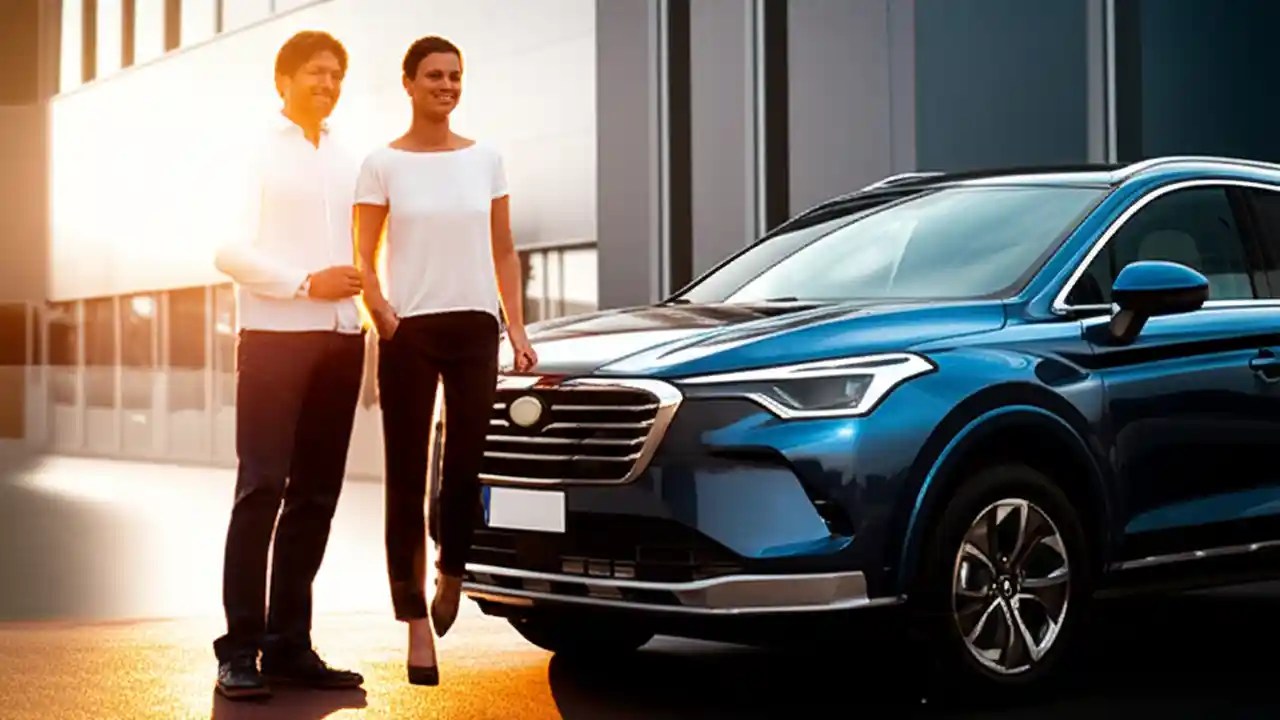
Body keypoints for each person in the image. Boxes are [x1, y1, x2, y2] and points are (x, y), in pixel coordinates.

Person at [353, 35, 537, 686]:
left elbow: (505, 250)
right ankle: (415, 625)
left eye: (455, 76)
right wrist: (381, 313)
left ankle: (451, 569)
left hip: (473, 329)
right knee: (405, 479)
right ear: (407, 83)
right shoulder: (381, 164)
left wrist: (515, 329)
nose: (447, 85)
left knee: (464, 468)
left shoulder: (486, 159)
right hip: (409, 332)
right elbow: (363, 254)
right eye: (434, 75)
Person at [211, 30, 366, 700]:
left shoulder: (349, 155)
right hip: (276, 337)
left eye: (336, 75)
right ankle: (238, 650)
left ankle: (288, 645)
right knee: (262, 490)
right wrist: (307, 282)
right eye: (314, 73)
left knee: (315, 499)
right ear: (283, 80)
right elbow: (227, 249)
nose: (327, 84)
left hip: (341, 342)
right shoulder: (253, 152)